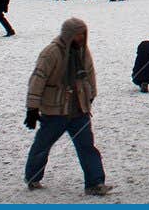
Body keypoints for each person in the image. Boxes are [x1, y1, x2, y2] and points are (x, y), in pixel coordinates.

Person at [23, 17, 110, 195]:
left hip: (79, 110)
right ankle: (33, 177)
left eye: (83, 34)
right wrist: (32, 109)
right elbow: (37, 80)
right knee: (42, 145)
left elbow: (90, 74)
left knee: (87, 147)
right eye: (77, 34)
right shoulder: (51, 53)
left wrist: (91, 95)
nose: (80, 38)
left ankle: (95, 183)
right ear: (68, 35)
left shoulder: (83, 52)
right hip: (55, 111)